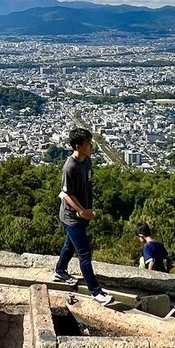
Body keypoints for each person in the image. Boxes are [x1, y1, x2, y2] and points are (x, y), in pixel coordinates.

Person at [52, 127, 114, 306]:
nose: (91, 146)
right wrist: (82, 211)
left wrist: (88, 209)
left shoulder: (87, 161)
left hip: (82, 214)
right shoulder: (69, 167)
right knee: (85, 254)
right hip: (71, 217)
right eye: (88, 143)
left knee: (70, 245)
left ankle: (60, 270)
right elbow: (66, 194)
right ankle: (96, 292)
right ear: (78, 146)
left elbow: (87, 185)